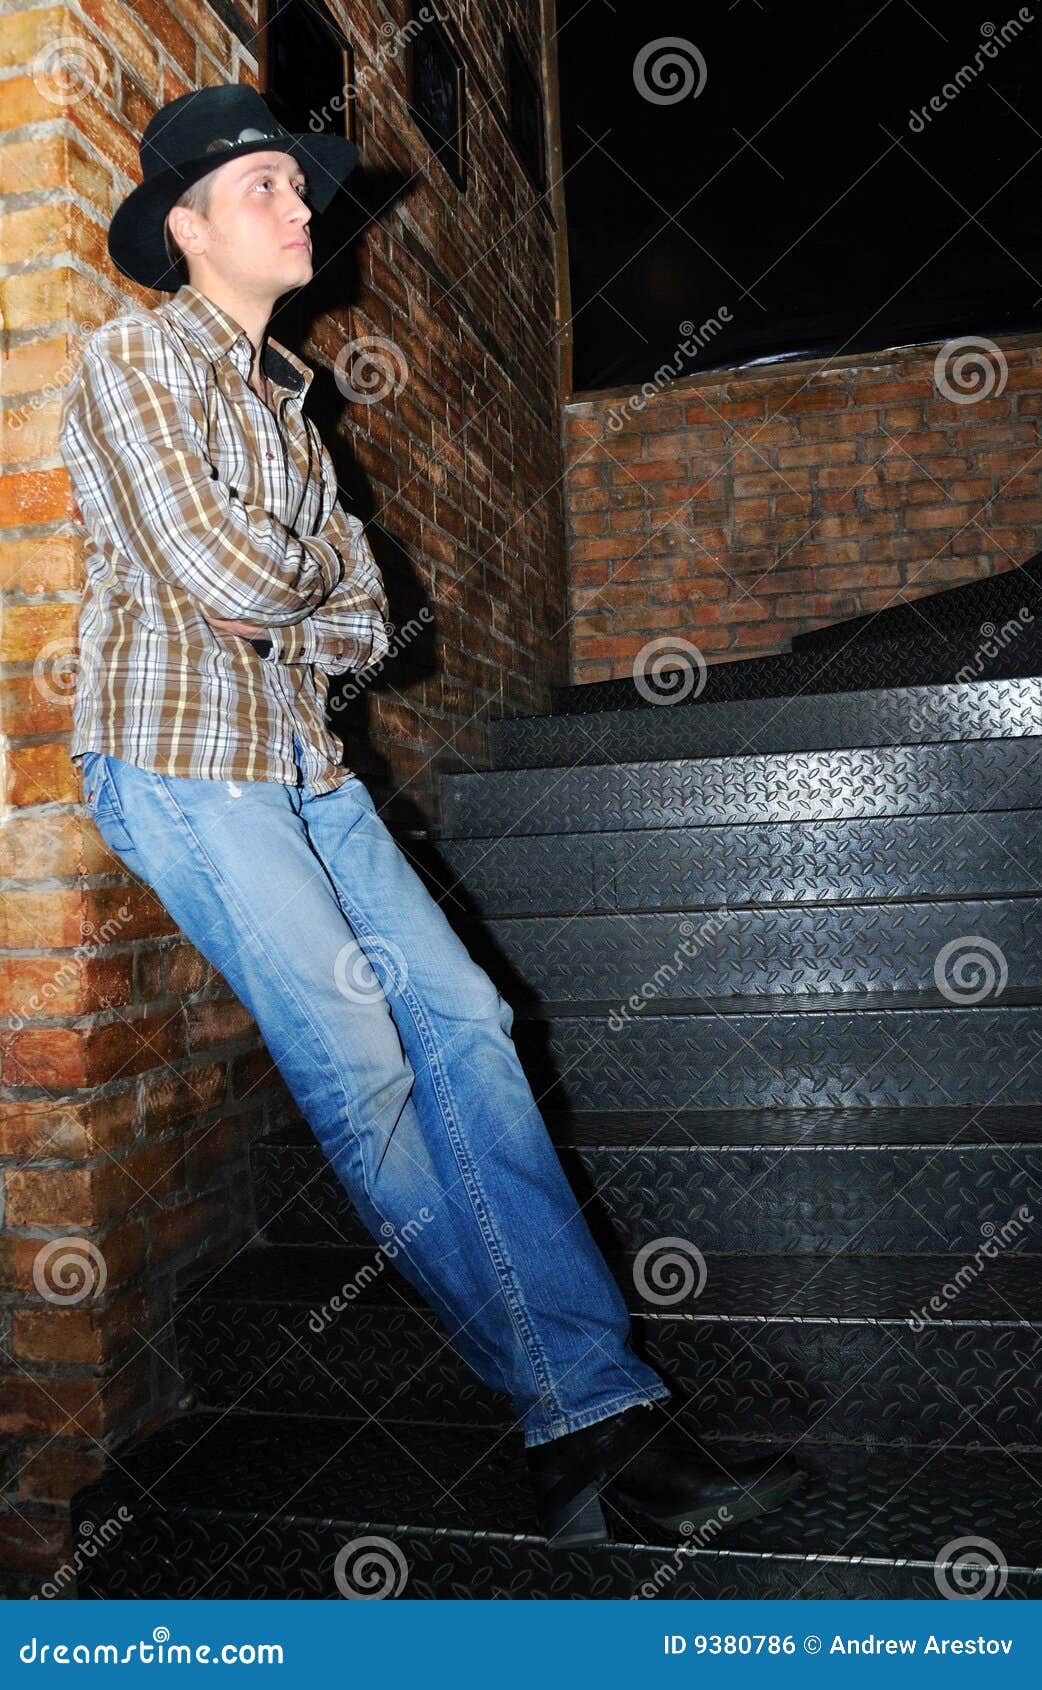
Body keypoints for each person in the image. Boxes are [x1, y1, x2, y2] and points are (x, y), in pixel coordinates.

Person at [58, 84, 807, 1549]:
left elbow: (369, 616)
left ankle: (584, 1412)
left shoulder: (293, 403)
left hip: (305, 765)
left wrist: (316, 592)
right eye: (267, 185)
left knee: (464, 1018)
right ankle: (587, 1413)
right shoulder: (133, 355)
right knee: (364, 1063)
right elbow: (239, 581)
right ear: (188, 226)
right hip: (183, 758)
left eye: (298, 184)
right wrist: (313, 587)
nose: (300, 206)